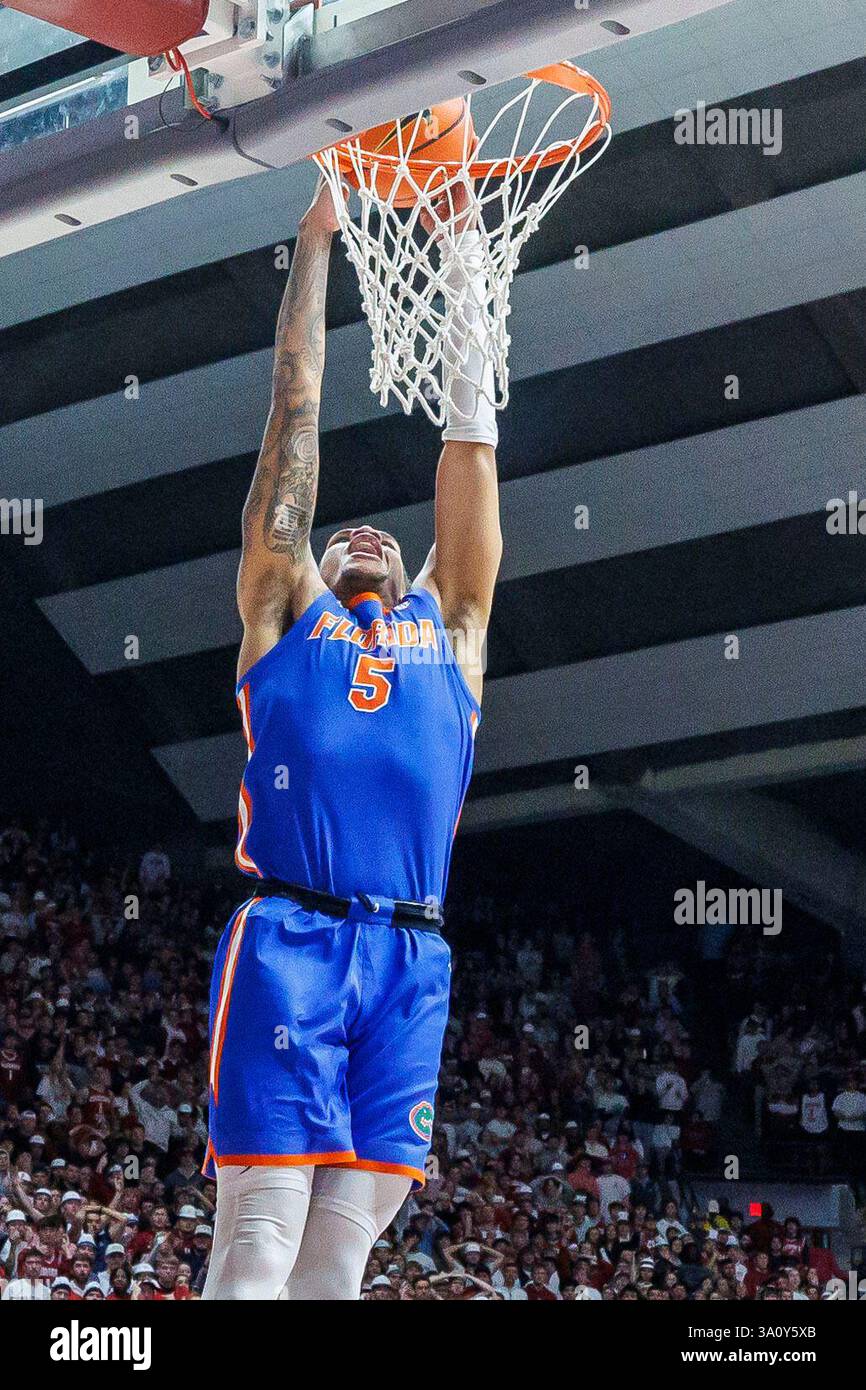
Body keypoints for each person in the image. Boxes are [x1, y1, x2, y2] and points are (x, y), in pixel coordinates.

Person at [201, 175, 502, 1300]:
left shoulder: (451, 628)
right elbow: (294, 415)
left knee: (338, 1258)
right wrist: (316, 245)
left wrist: (462, 245)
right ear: (315, 563)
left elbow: (469, 445)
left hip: (413, 956)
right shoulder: (287, 610)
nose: (364, 531)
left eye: (385, 533)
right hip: (292, 937)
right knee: (259, 1243)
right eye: (342, 535)